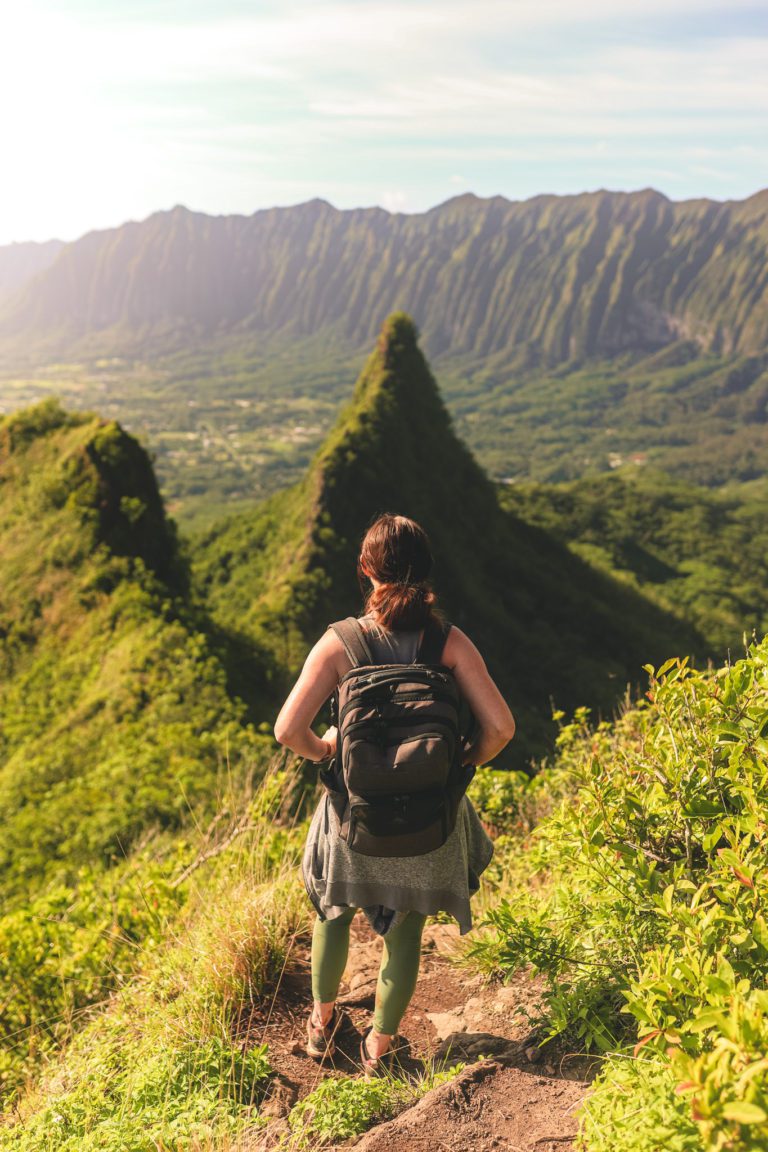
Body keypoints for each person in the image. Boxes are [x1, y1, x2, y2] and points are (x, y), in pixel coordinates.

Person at [274, 513, 516, 1075]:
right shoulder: (449, 642)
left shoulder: (342, 643)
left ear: (365, 570)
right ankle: (378, 1051)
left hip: (353, 820)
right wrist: (462, 761)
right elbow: (500, 728)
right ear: (427, 572)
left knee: (332, 914)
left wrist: (329, 749)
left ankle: (320, 1027)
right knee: (405, 934)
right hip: (429, 822)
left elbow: (289, 731)